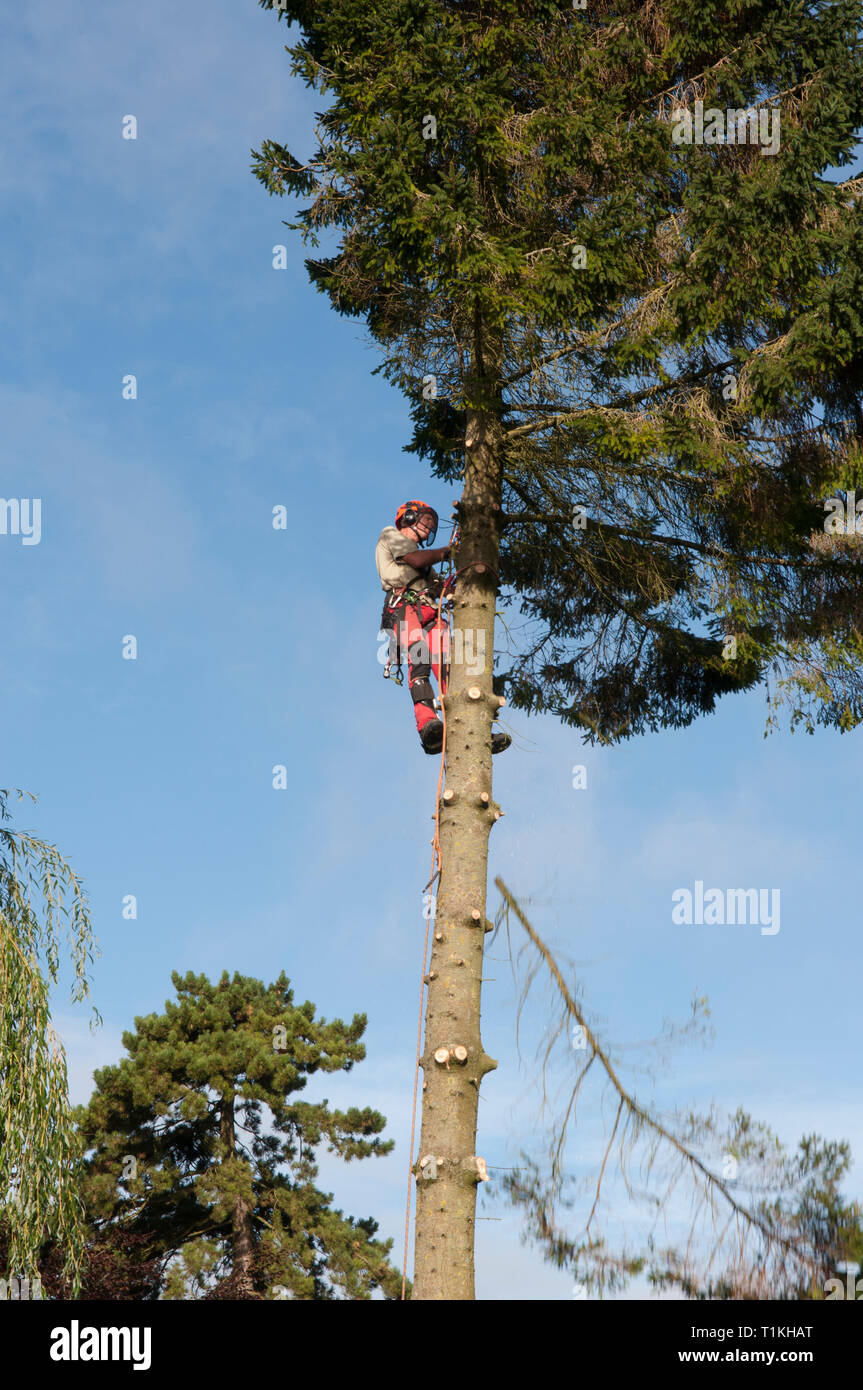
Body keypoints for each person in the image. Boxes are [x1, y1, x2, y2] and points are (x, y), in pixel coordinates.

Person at [375, 499, 511, 755]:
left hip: (429, 611)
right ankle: (428, 726)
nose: (429, 527)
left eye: (432, 525)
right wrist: (448, 551)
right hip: (402, 607)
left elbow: (443, 586)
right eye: (426, 521)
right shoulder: (391, 536)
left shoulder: (428, 567)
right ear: (409, 517)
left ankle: (476, 728)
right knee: (420, 657)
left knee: (452, 666)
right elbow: (415, 559)